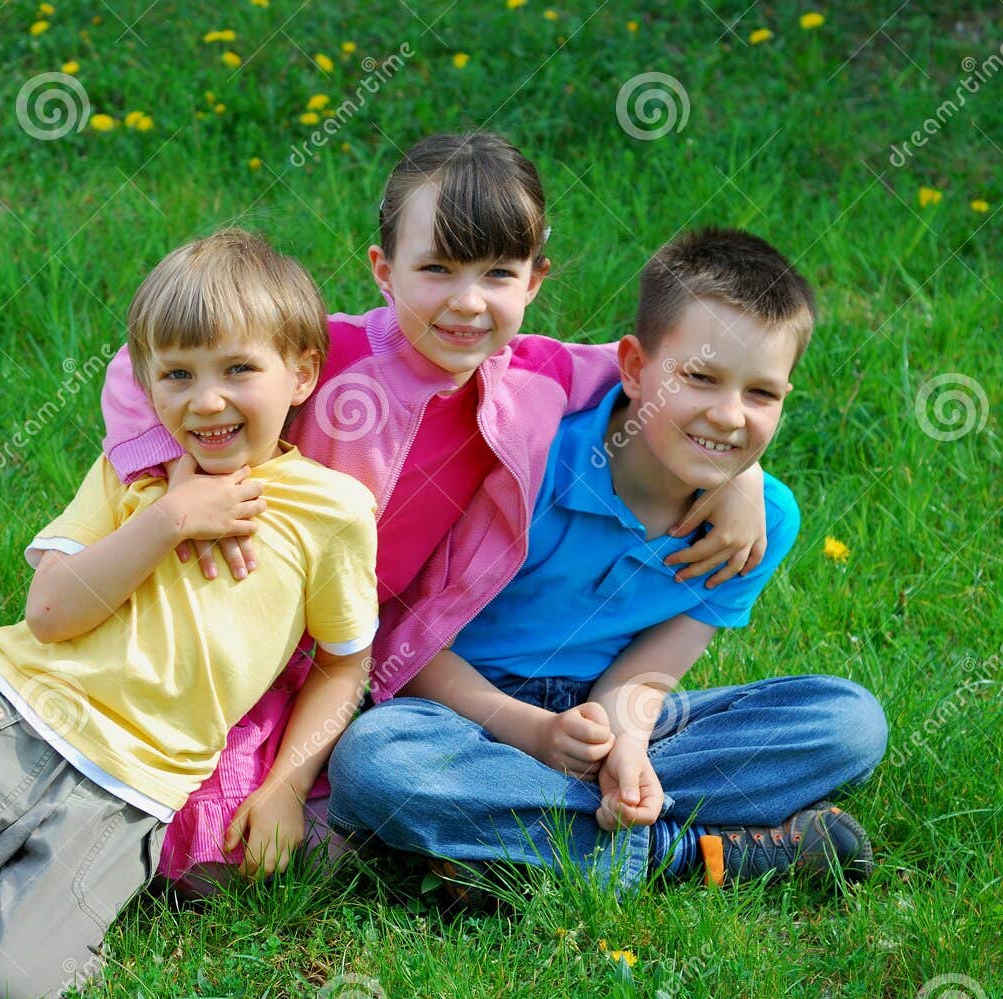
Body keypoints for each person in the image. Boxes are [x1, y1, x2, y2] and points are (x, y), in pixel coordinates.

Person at [97, 132, 774, 890]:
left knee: (841, 724)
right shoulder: (333, 352)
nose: (467, 301)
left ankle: (563, 810)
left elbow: (662, 381)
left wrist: (744, 476)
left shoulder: (537, 370)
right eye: (438, 269)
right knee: (241, 834)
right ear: (383, 271)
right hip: (260, 624)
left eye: (497, 273)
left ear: (534, 281)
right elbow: (136, 365)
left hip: (370, 658)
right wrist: (166, 470)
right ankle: (654, 842)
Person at [0, 229, 377, 999]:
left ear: (301, 373)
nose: (207, 399)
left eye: (238, 370)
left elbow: (343, 661)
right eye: (178, 374)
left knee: (2, 991)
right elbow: (49, 614)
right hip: (16, 718)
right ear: (150, 385)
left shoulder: (332, 510)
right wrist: (170, 519)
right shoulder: (136, 472)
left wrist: (290, 784)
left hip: (129, 791)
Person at [327, 227, 888, 898]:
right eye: (700, 377)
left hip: (599, 723)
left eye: (761, 394)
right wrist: (533, 732)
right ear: (633, 368)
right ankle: (679, 853)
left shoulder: (760, 521)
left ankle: (514, 844)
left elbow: (643, 676)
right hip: (462, 715)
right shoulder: (526, 464)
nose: (729, 415)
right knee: (373, 759)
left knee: (847, 722)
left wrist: (624, 749)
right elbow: (407, 647)